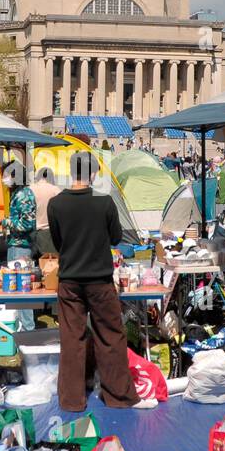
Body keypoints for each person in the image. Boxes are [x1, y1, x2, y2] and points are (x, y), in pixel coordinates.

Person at [47, 152, 151, 412]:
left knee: (72, 339)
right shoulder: (104, 202)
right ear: (93, 174)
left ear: (71, 172)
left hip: (70, 280)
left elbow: (59, 243)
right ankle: (118, 396)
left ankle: (71, 400)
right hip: (100, 280)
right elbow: (116, 238)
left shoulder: (56, 204)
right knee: (111, 337)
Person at [0, 161, 38, 331]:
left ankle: (27, 329)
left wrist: (4, 222)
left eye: (7, 174)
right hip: (15, 245)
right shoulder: (18, 193)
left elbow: (27, 223)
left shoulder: (23, 195)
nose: (4, 179)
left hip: (20, 246)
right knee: (14, 288)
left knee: (22, 289)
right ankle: (18, 326)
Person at [30, 166, 61, 255]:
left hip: (30, 233)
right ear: (51, 177)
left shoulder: (29, 189)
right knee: (48, 265)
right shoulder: (55, 190)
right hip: (48, 234)